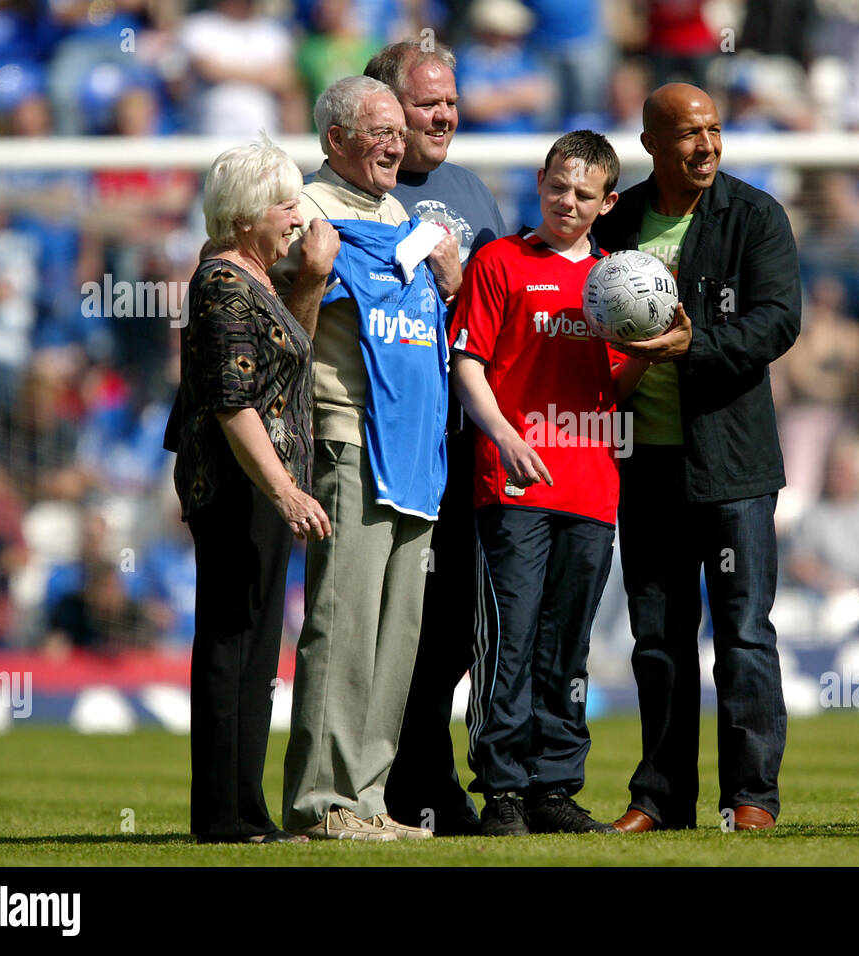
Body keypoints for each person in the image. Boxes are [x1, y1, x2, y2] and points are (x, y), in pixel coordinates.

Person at [592, 83, 801, 832]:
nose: (705, 145)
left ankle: (752, 797)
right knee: (660, 638)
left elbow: (779, 323)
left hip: (734, 467)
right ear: (650, 142)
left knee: (744, 632)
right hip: (645, 466)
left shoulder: (755, 216)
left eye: (714, 129)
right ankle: (660, 798)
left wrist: (695, 346)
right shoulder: (614, 224)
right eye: (687, 133)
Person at [274, 75, 462, 842]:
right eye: (377, 130)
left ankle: (369, 800)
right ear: (335, 141)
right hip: (349, 434)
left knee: (397, 635)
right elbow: (284, 325)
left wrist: (447, 283)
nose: (395, 143)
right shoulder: (307, 213)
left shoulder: (396, 216)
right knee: (343, 621)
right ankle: (323, 802)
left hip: (415, 447)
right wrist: (313, 273)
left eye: (398, 130)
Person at [450, 130, 650, 835]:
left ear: (608, 203)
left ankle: (554, 787)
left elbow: (612, 383)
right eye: (559, 186)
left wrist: (650, 355)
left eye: (584, 193)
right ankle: (501, 789)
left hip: (591, 485)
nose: (568, 201)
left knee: (567, 648)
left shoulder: (617, 283)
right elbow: (467, 362)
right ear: (540, 181)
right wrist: (503, 435)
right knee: (507, 638)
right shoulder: (499, 261)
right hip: (511, 484)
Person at [163, 136, 338, 844]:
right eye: (285, 201)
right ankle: (221, 814)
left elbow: (286, 364)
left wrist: (315, 281)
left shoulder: (260, 280)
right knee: (233, 645)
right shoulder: (223, 283)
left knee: (259, 652)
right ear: (243, 216)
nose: (298, 214)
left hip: (261, 488)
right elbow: (235, 403)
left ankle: (246, 808)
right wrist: (286, 492)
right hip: (239, 489)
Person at [364, 40, 507, 836]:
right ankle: (401, 783)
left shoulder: (471, 187)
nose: (443, 113)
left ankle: (426, 777)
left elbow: (487, 317)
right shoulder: (362, 191)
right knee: (394, 625)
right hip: (392, 443)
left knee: (454, 626)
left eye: (450, 100)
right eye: (427, 103)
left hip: (462, 445)